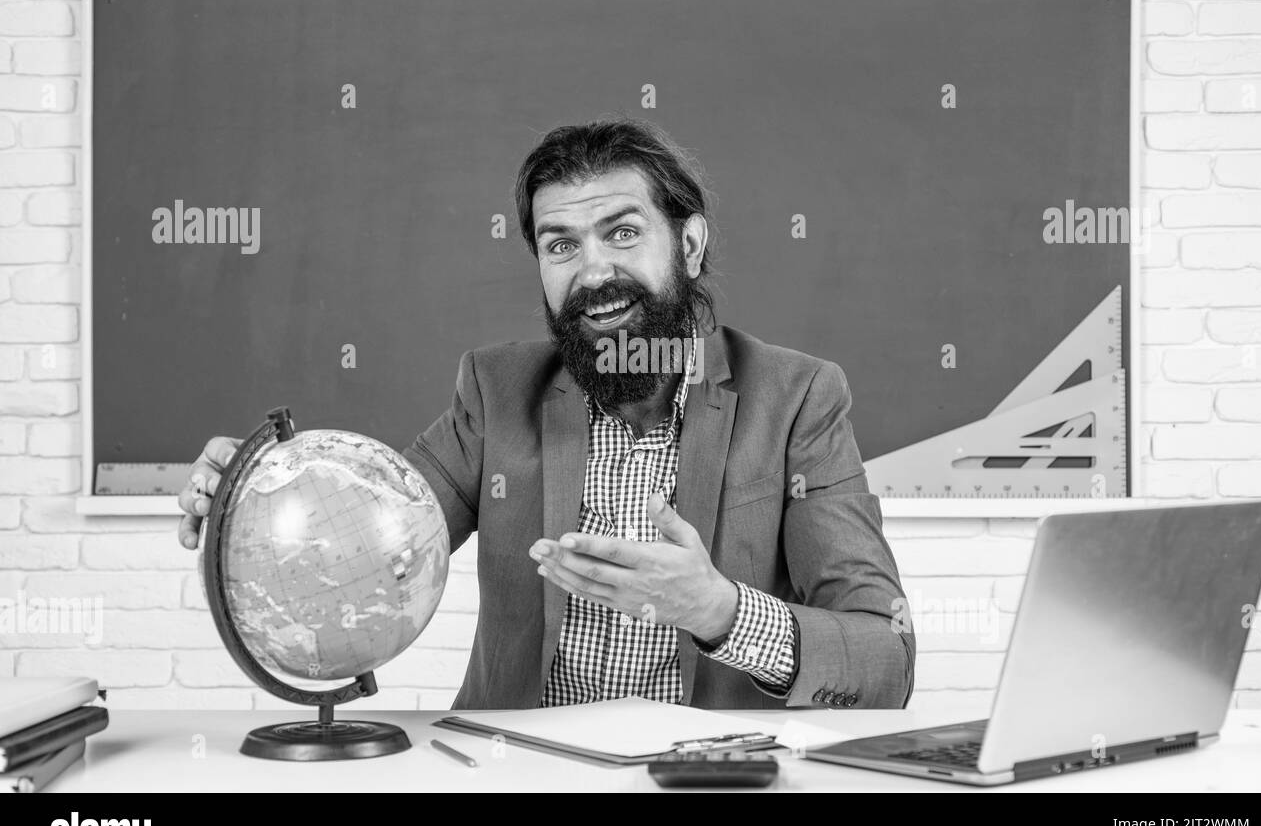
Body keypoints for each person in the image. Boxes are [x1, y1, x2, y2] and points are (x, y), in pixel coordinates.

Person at [177, 116, 915, 711]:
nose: (593, 272)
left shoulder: (799, 399)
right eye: (563, 244)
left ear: (688, 245)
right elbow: (372, 536)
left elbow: (885, 658)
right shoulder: (496, 390)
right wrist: (256, 494)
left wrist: (718, 608)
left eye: (623, 233)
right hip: (520, 775)